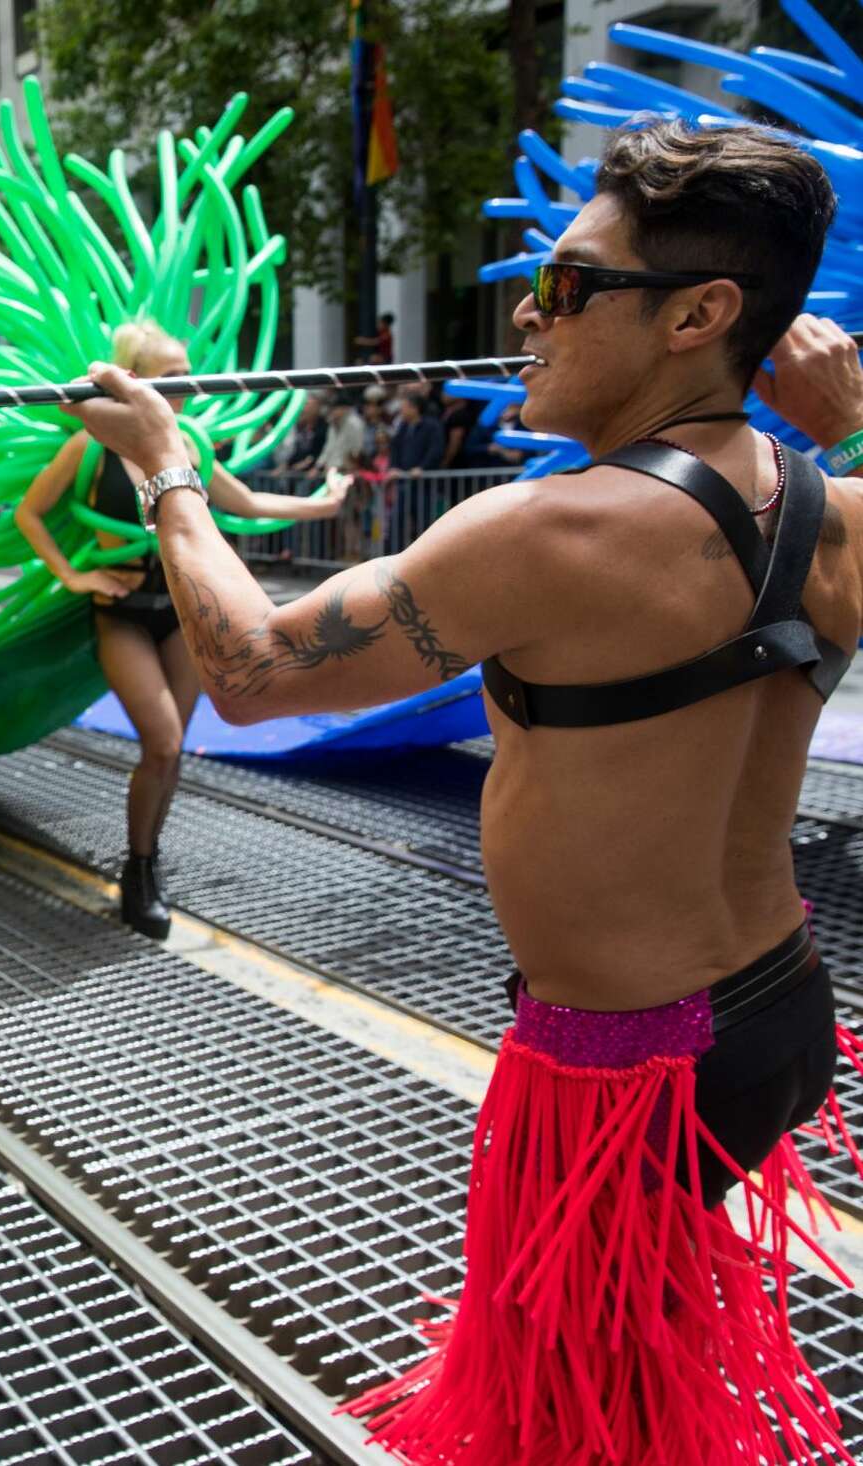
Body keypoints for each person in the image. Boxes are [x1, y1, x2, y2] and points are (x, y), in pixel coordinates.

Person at [67, 119, 862, 1463]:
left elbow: (251, 671)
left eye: (565, 285)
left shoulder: (546, 530)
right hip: (777, 1015)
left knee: (566, 1419)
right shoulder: (833, 504)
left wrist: (167, 472)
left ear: (701, 315)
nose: (525, 314)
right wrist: (839, 423)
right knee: (634, 1372)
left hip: (626, 1073)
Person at [15, 321, 347, 938]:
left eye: (191, 376)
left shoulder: (187, 441)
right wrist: (75, 577)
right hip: (121, 614)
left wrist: (324, 504)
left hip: (182, 611)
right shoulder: (89, 446)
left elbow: (246, 502)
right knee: (163, 742)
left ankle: (143, 863)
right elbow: (29, 514)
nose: (190, 389)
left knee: (169, 755)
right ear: (136, 381)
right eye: (175, 378)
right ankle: (141, 867)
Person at [388, 391, 446, 475]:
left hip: (426, 479)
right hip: (405, 477)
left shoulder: (432, 426)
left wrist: (422, 467)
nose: (401, 411)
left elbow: (435, 450)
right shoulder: (403, 427)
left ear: (414, 408)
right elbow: (395, 447)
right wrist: (394, 467)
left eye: (404, 407)